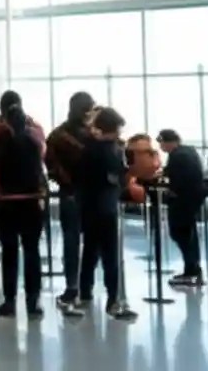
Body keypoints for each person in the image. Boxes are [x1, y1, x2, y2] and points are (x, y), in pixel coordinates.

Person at [0, 91, 47, 319]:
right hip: (32, 200)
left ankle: (9, 300)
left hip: (4, 200)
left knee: (9, 251)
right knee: (32, 251)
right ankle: (33, 301)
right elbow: (43, 155)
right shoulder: (34, 130)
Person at [77, 107, 137, 320]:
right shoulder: (108, 150)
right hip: (106, 207)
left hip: (90, 207)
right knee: (110, 255)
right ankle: (113, 298)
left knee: (90, 252)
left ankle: (85, 292)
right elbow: (117, 176)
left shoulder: (88, 147)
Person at [46, 91, 95, 308]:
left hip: (70, 193)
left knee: (71, 242)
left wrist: (66, 181)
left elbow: (51, 165)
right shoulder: (95, 135)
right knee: (93, 242)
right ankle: (86, 287)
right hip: (93, 193)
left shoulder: (57, 135)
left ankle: (72, 287)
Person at [156, 129, 205, 286]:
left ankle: (192, 269)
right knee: (188, 234)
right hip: (191, 199)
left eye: (162, 142)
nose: (161, 146)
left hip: (183, 200)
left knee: (180, 233)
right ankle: (192, 269)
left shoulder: (179, 156)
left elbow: (180, 178)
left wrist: (172, 190)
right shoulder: (187, 152)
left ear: (170, 141)